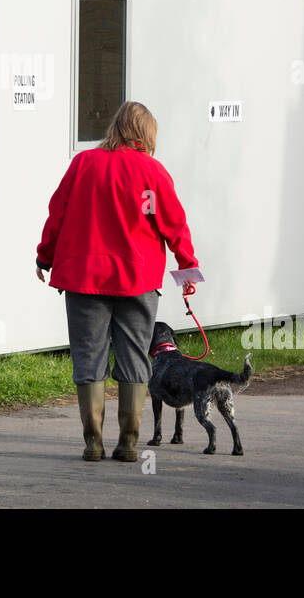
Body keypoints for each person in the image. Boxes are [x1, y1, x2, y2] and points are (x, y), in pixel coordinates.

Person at [35, 101, 199, 462]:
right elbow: (175, 224)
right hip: (137, 281)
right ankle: (128, 443)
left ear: (116, 127)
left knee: (88, 358)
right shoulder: (154, 173)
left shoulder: (83, 164)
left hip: (84, 280)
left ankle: (92, 443)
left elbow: (57, 213)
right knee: (134, 359)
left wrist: (44, 256)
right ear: (146, 134)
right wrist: (187, 270)